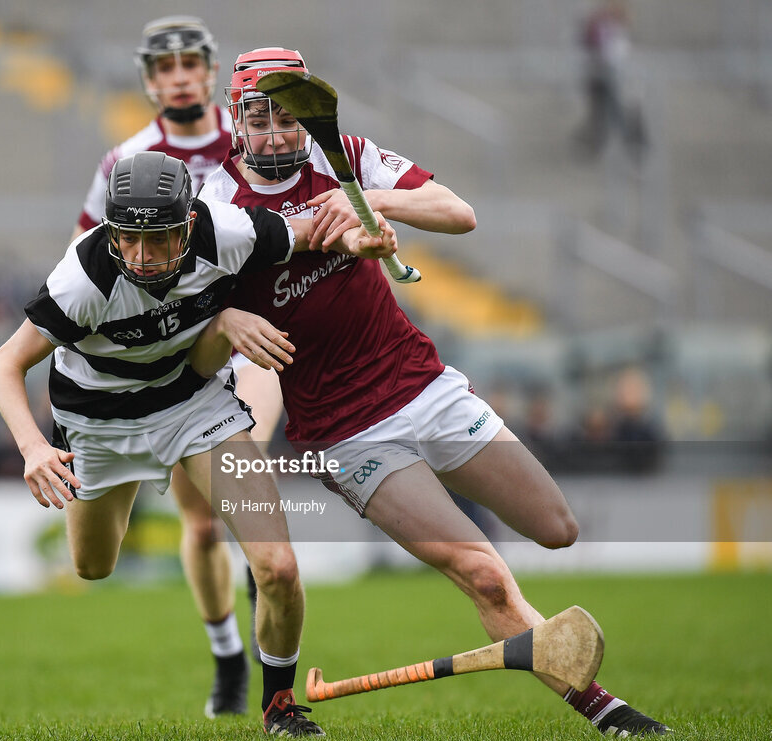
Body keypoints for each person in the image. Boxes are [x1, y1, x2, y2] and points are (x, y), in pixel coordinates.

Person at [192, 48, 670, 737]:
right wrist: (225, 315)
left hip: (424, 386)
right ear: (234, 122)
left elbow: (458, 212)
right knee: (483, 574)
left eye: (289, 119)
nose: (276, 135)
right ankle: (605, 709)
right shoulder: (214, 206)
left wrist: (372, 200)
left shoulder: (345, 155)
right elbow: (181, 316)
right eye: (259, 119)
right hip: (345, 432)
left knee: (556, 529)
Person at [0, 151, 397, 735]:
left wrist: (362, 239)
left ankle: (279, 704)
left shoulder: (225, 230)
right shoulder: (83, 280)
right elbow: (5, 364)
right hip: (96, 421)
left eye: (159, 240)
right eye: (129, 239)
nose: (143, 257)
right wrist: (33, 448)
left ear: (189, 223)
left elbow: (316, 233)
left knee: (277, 567)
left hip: (192, 404)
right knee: (93, 566)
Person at [69, 15, 282, 716]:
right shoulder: (123, 161)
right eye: (164, 68)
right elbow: (91, 261)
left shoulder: (254, 136)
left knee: (246, 472)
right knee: (198, 520)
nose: (179, 76)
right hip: (178, 346)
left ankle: (267, 632)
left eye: (190, 62)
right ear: (149, 81)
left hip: (251, 328)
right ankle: (227, 656)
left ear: (211, 70)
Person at [575, 0, 647, 159]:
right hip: (602, 76)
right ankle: (598, 145)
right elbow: (592, 49)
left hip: (620, 77)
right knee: (604, 113)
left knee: (623, 111)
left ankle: (632, 144)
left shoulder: (618, 28)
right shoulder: (598, 26)